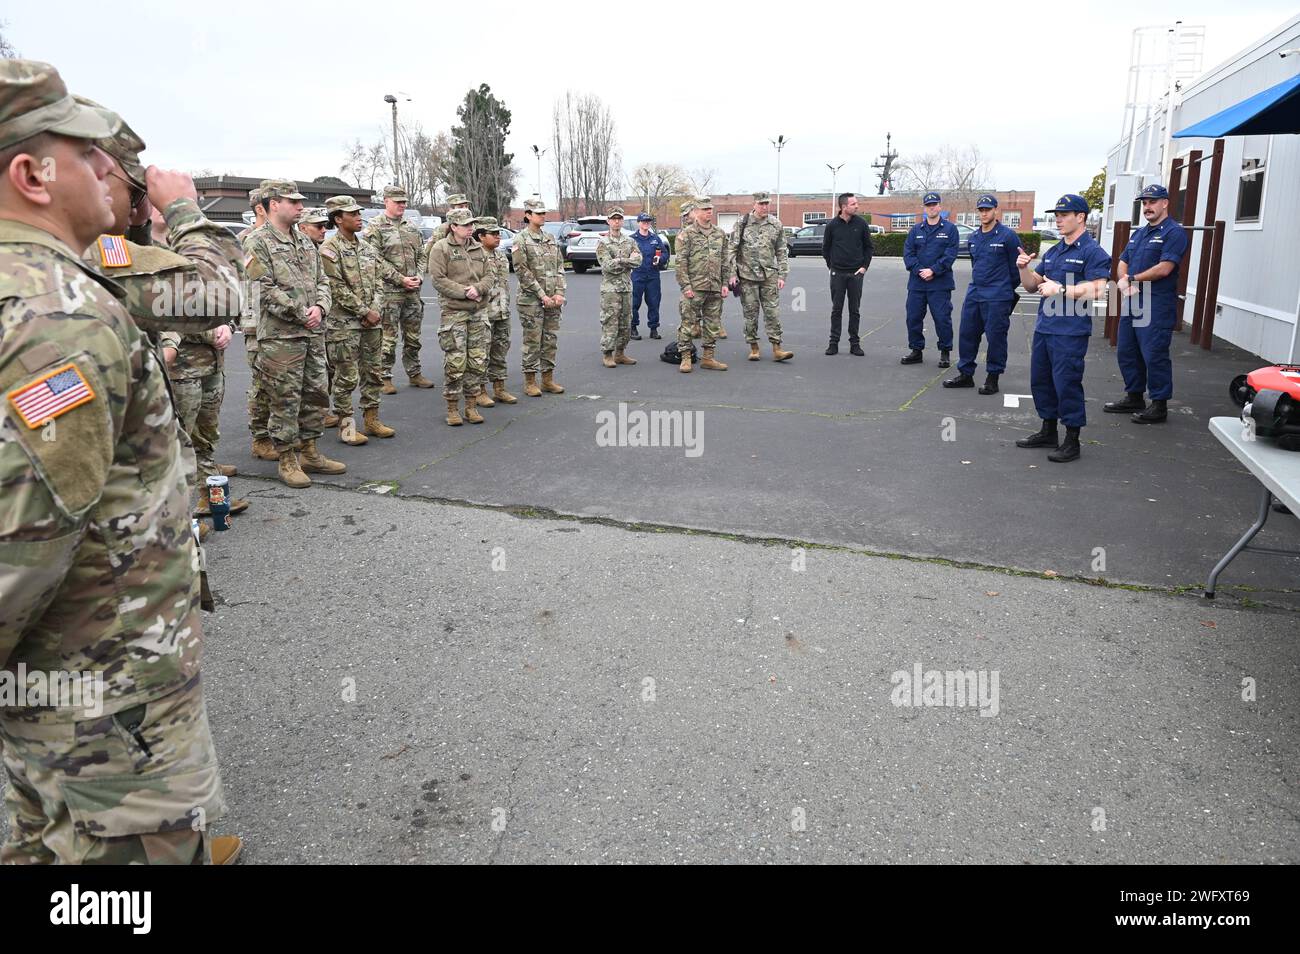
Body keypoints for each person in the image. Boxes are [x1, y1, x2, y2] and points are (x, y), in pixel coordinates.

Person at [0, 59, 235, 864]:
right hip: (104, 712)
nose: (112, 168)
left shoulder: (51, 284)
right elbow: (17, 554)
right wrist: (189, 212)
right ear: (32, 174)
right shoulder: (53, 316)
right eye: (88, 153)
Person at [245, 180, 345, 486]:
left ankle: (310, 452)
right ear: (275, 204)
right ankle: (287, 458)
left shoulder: (304, 242)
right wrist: (300, 313)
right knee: (284, 398)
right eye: (294, 201)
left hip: (313, 333)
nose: (301, 206)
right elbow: (261, 287)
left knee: (316, 394)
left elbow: (323, 281)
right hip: (280, 337)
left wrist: (321, 307)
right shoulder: (257, 241)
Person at [1015, 194, 1111, 463]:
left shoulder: (1093, 252)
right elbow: (1033, 285)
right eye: (1056, 214)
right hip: (1046, 326)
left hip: (1070, 331)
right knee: (1041, 381)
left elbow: (1098, 290)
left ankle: (1072, 439)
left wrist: (1062, 289)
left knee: (1067, 384)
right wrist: (1024, 269)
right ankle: (1048, 431)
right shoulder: (1055, 250)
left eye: (1064, 214)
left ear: (1080, 217)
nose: (1058, 218)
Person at [1104, 183, 1188, 424]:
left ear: (1165, 203)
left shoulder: (1174, 232)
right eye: (1144, 203)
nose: (1148, 207)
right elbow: (1123, 260)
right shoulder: (1139, 233)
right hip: (1133, 300)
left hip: (1156, 302)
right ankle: (1134, 396)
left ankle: (1159, 404)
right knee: (1127, 351)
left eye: (1152, 201)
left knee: (1154, 353)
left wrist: (1132, 279)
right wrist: (1123, 278)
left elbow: (1165, 268)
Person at [319, 195, 394, 444]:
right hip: (344, 326)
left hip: (371, 324)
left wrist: (374, 310)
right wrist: (364, 312)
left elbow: (379, 283)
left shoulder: (367, 249)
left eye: (359, 213)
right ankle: (347, 427)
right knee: (345, 377)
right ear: (338, 219)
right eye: (353, 214)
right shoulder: (329, 250)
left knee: (373, 373)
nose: (359, 217)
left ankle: (372, 420)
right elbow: (336, 288)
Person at [944, 194, 1021, 394]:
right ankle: (966, 374)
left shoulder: (1008, 236)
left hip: (998, 295)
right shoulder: (974, 237)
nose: (984, 213)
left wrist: (1004, 290)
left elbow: (1016, 271)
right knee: (967, 334)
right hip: (976, 292)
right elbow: (975, 264)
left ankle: (992, 377)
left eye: (988, 209)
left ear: (996, 210)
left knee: (996, 337)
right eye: (981, 210)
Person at [363, 185, 431, 393]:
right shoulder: (375, 227)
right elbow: (374, 259)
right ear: (386, 201)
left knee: (413, 337)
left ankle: (414, 372)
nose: (402, 205)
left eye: (404, 202)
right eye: (397, 202)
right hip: (390, 292)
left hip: (412, 292)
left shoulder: (411, 227)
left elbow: (421, 255)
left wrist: (419, 276)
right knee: (388, 338)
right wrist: (400, 279)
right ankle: (384, 376)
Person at [428, 207, 493, 425]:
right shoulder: (441, 248)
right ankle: (453, 408)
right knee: (456, 362)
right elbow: (438, 279)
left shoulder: (478, 248)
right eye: (465, 225)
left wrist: (478, 289)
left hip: (477, 311)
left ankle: (471, 406)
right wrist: (464, 292)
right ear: (453, 226)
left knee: (477, 361)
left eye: (471, 224)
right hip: (454, 312)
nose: (470, 228)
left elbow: (489, 276)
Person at [512, 198, 566, 396]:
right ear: (527, 215)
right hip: (531, 300)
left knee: (550, 339)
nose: (542, 216)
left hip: (553, 299)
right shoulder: (521, 240)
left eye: (544, 213)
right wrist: (542, 295)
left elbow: (560, 267)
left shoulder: (550, 238)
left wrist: (560, 292)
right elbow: (522, 271)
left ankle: (547, 379)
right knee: (533, 341)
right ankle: (530, 381)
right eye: (538, 213)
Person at [731, 191, 792, 362]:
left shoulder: (776, 224)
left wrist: (782, 275)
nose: (765, 207)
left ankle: (777, 347)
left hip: (769, 275)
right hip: (747, 276)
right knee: (751, 314)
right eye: (761, 204)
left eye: (767, 204)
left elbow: (781, 251)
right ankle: (754, 347)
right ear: (754, 205)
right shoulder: (742, 223)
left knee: (772, 313)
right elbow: (732, 250)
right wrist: (731, 274)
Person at [674, 196, 733, 373]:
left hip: (714, 287)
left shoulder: (719, 234)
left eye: (710, 209)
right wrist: (686, 286)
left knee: (712, 324)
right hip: (694, 287)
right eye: (705, 209)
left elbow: (725, 260)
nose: (709, 212)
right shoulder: (687, 234)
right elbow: (681, 263)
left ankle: (708, 357)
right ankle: (685, 358)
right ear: (696, 212)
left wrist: (724, 283)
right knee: (687, 323)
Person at [901, 192, 959, 367]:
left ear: (940, 206)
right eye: (928, 205)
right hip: (917, 283)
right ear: (924, 208)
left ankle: (945, 352)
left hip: (940, 284)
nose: (932, 207)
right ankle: (916, 350)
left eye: (934, 204)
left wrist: (933, 270)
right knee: (913, 318)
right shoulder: (916, 230)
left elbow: (950, 254)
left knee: (942, 318)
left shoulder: (949, 229)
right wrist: (920, 270)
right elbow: (908, 254)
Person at [241, 181, 277, 459]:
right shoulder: (247, 238)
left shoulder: (283, 237)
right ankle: (260, 437)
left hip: (282, 321)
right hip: (256, 318)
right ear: (260, 208)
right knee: (261, 381)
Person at [821, 192, 873, 356]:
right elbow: (825, 249)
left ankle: (855, 344)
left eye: (856, 203)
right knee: (836, 309)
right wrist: (832, 267)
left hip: (856, 274)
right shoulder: (832, 226)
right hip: (837, 274)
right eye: (853, 204)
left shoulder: (862, 224)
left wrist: (864, 267)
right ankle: (833, 343)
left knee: (854, 310)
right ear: (844, 207)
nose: (857, 206)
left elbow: (868, 247)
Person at [474, 216, 516, 404]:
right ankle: (480, 390)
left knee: (500, 349)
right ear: (481, 236)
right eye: (493, 234)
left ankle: (499, 388)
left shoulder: (499, 255)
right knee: (482, 352)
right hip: (483, 311)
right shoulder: (474, 255)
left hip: (501, 310)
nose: (498, 237)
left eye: (499, 233)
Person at [595, 207, 643, 368]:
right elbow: (608, 266)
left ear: (622, 221)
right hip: (610, 290)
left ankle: (620, 353)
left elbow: (638, 261)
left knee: (625, 321)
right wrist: (626, 260)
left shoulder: (630, 241)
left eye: (619, 218)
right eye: (613, 218)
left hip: (626, 288)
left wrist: (619, 260)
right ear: (608, 221)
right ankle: (608, 354)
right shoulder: (603, 243)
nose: (616, 221)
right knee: (610, 321)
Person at [629, 212, 668, 340]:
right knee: (634, 303)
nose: (646, 223)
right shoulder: (631, 239)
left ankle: (654, 328)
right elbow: (625, 255)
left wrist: (660, 259)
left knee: (654, 302)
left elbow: (665, 253)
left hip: (652, 275)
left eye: (648, 221)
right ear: (639, 223)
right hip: (637, 274)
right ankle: (633, 328)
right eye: (643, 221)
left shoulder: (655, 238)